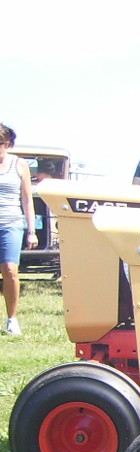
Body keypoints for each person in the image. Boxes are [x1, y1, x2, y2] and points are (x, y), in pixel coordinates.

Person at [0, 123, 37, 336]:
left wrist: (31, 230)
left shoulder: (19, 164)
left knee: (10, 270)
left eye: (1, 144)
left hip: (11, 223)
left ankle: (12, 319)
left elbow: (27, 199)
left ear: (8, 143)